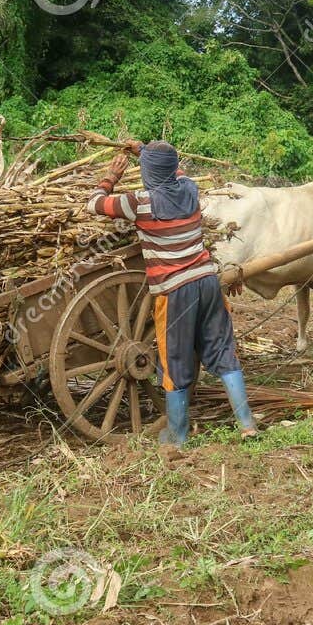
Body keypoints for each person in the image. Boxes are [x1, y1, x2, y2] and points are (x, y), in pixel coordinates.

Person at [86, 140, 258, 447]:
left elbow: (94, 203)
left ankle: (177, 438)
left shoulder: (138, 203)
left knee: (174, 362)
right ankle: (247, 425)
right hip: (207, 282)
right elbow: (176, 171)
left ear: (148, 173)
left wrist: (110, 176)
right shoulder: (190, 190)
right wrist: (145, 152)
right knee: (223, 351)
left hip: (175, 292)